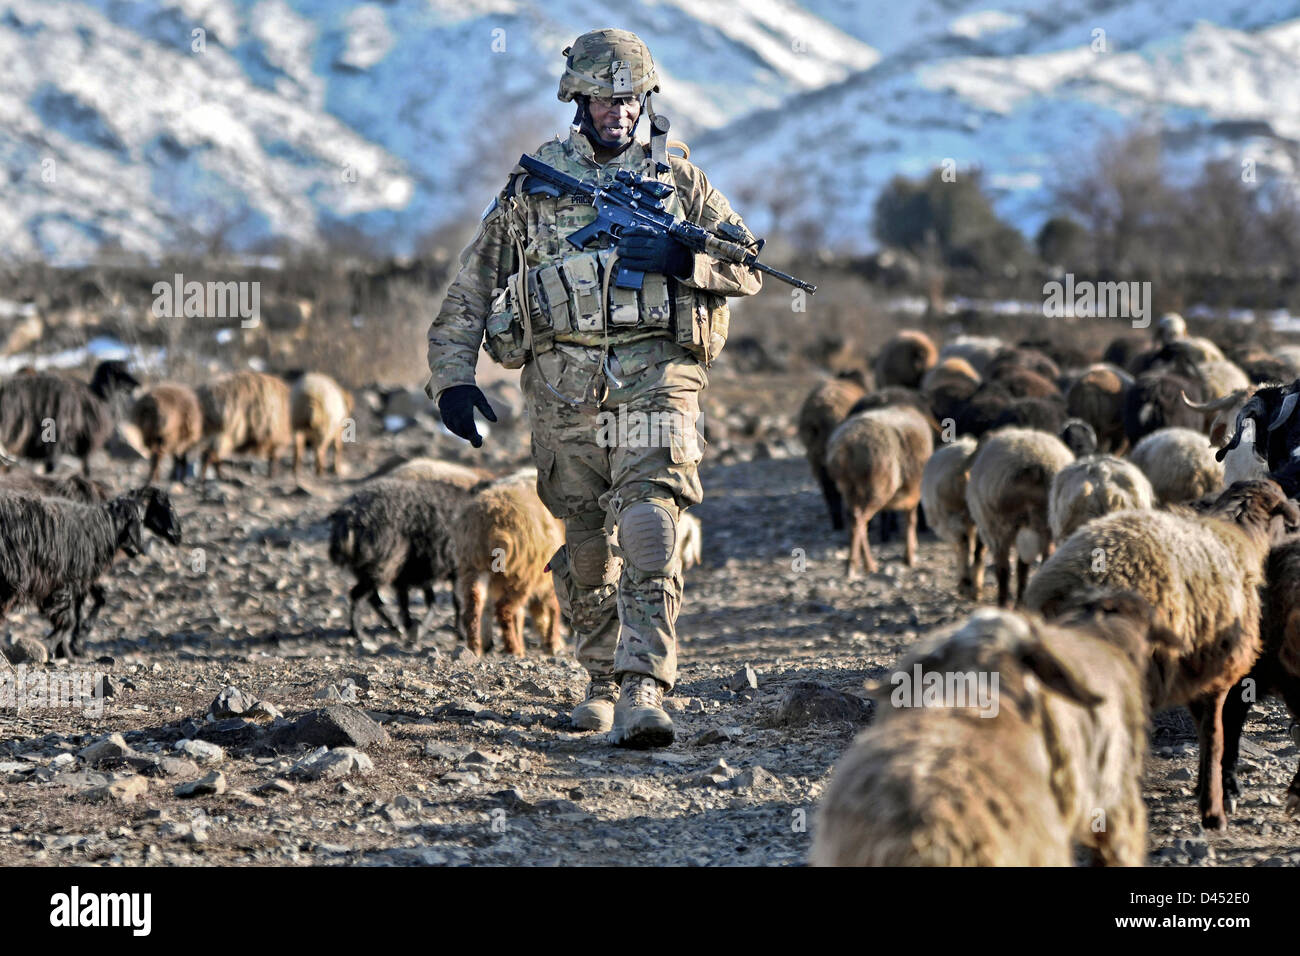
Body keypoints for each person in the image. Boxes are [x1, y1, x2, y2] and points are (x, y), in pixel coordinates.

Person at [425, 28, 761, 748]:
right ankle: (601, 676)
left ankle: (646, 685)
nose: (619, 111)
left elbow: (749, 265)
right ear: (578, 99)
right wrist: (454, 378)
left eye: (631, 98)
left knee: (650, 520)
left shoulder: (680, 182)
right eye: (605, 98)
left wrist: (683, 256)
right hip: (563, 389)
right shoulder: (535, 187)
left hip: (658, 378)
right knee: (583, 543)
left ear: (647, 101)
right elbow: (472, 286)